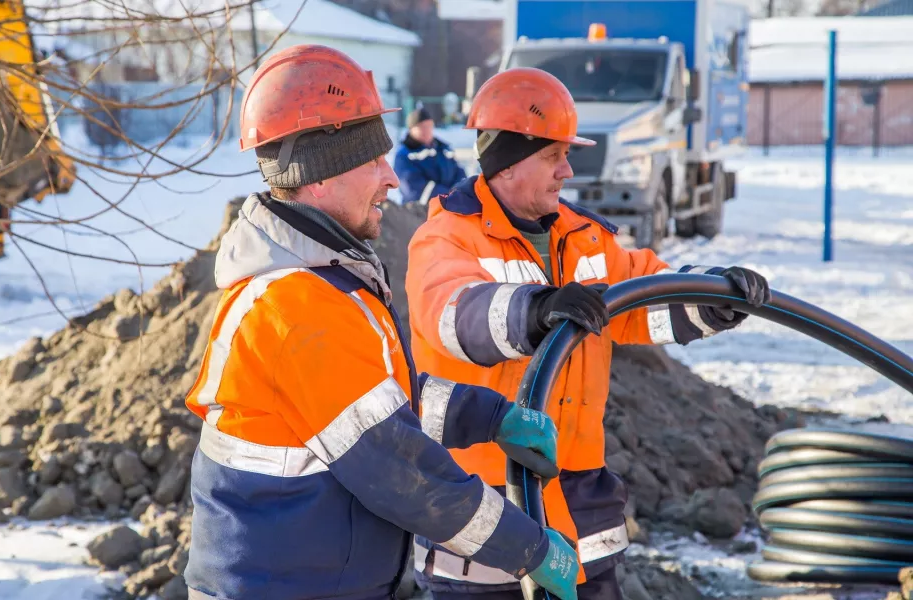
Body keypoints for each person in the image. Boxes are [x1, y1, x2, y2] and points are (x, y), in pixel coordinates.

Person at [183, 46, 583, 600]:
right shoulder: (298, 306)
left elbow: (382, 400)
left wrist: (492, 417)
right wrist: (528, 548)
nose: (392, 179)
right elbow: (399, 469)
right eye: (373, 161)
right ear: (320, 178)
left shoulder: (328, 281)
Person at [405, 67, 771, 600]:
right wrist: (538, 310)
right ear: (510, 161)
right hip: (484, 514)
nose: (567, 171)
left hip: (581, 508)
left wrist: (714, 297)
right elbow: (454, 315)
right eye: (554, 156)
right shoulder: (447, 239)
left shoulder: (584, 238)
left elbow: (645, 299)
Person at [393, 106, 467, 205]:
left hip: (449, 209)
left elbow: (459, 173)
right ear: (411, 129)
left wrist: (459, 192)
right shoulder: (404, 154)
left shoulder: (444, 149)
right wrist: (448, 196)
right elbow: (412, 188)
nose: (426, 130)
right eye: (421, 126)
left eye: (429, 126)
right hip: (418, 214)